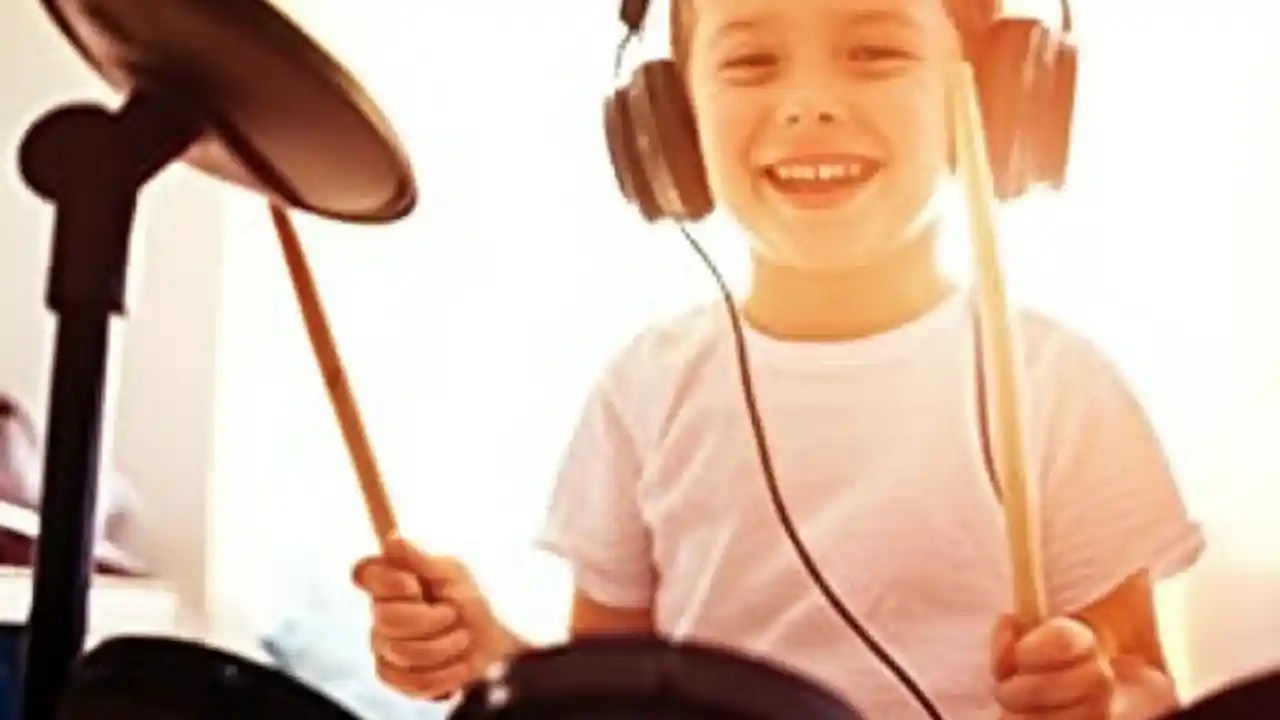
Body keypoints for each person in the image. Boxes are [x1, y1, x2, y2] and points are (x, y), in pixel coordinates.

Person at [352, 0, 1205, 717]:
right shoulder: (646, 389)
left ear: (991, 94)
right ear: (671, 122)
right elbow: (607, 694)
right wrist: (487, 654)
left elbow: (1143, 682)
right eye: (753, 62)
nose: (809, 104)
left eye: (873, 51)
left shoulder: (1059, 384)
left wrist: (1100, 698)